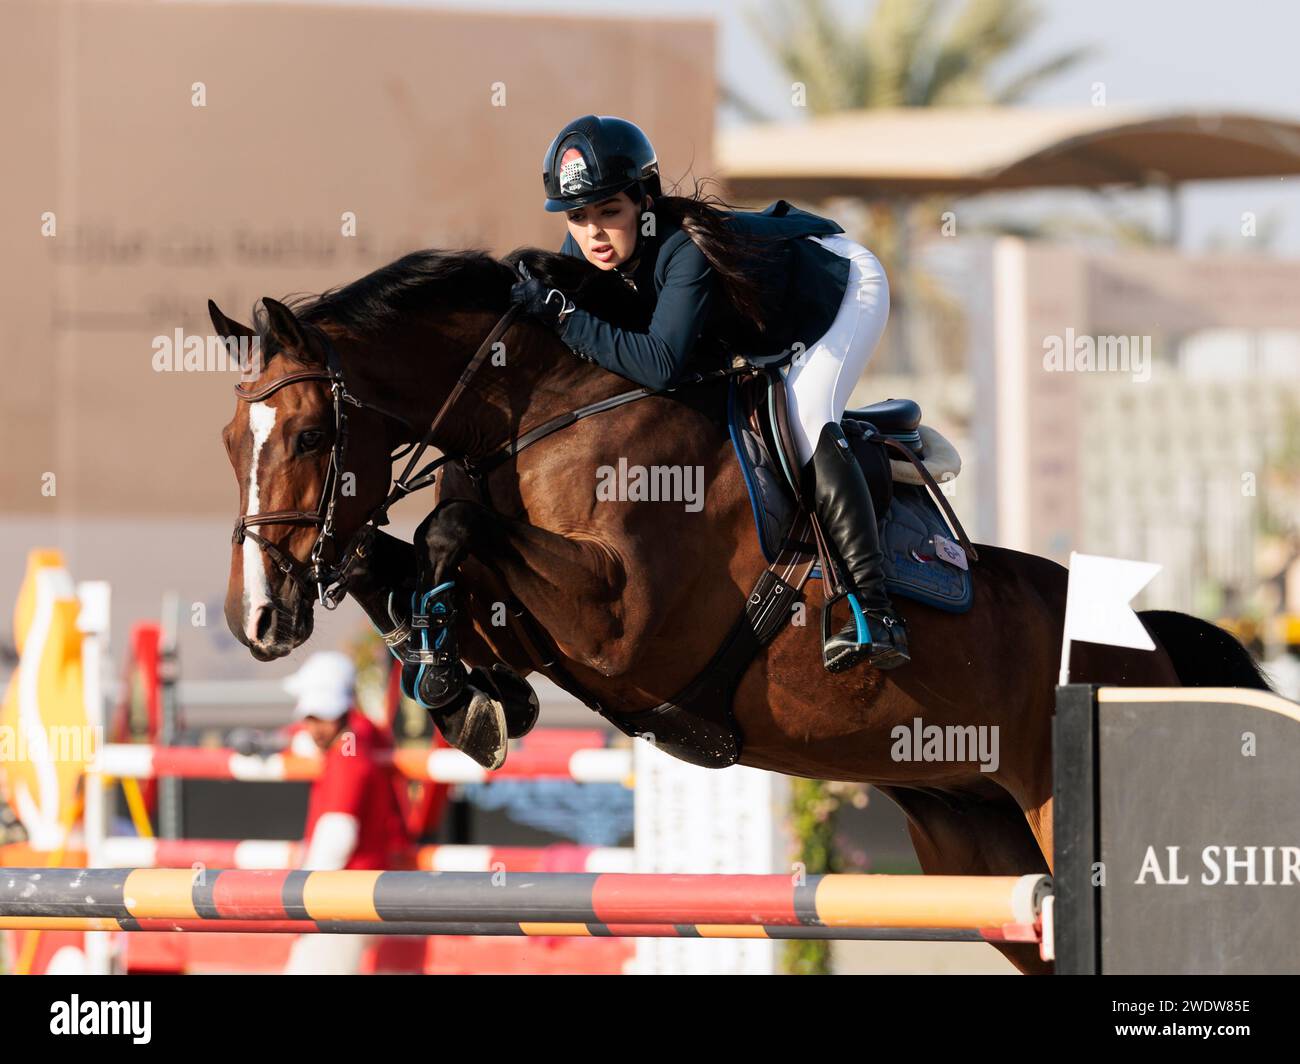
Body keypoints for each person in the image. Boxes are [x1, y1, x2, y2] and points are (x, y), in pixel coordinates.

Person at [508, 114, 908, 672]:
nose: (594, 232)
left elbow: (661, 361)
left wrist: (568, 318)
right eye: (578, 217)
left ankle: (874, 608)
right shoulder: (587, 254)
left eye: (609, 212)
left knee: (804, 417)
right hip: (761, 323)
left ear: (645, 201)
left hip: (839, 292)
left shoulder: (683, 249)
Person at [281, 651, 408, 974]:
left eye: (315, 717)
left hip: (340, 895)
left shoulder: (347, 757)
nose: (310, 727)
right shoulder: (360, 736)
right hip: (361, 889)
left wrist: (302, 898)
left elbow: (337, 835)